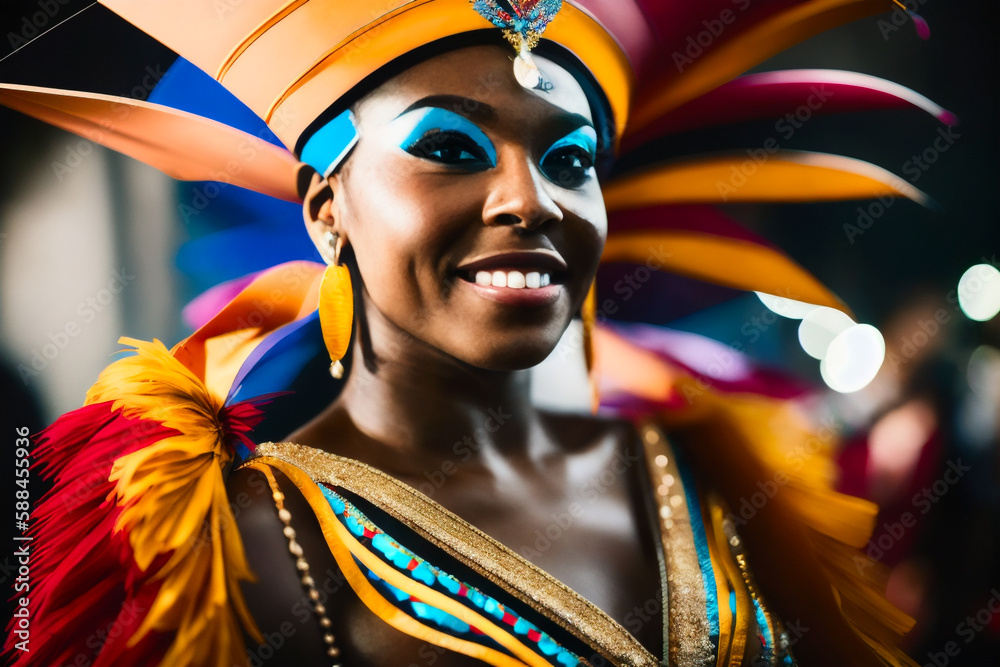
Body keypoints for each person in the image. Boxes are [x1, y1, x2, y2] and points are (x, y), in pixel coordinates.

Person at [2, 1, 947, 665]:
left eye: (570, 160)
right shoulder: (239, 540)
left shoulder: (720, 472)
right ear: (328, 212)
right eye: (448, 147)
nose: (529, 200)